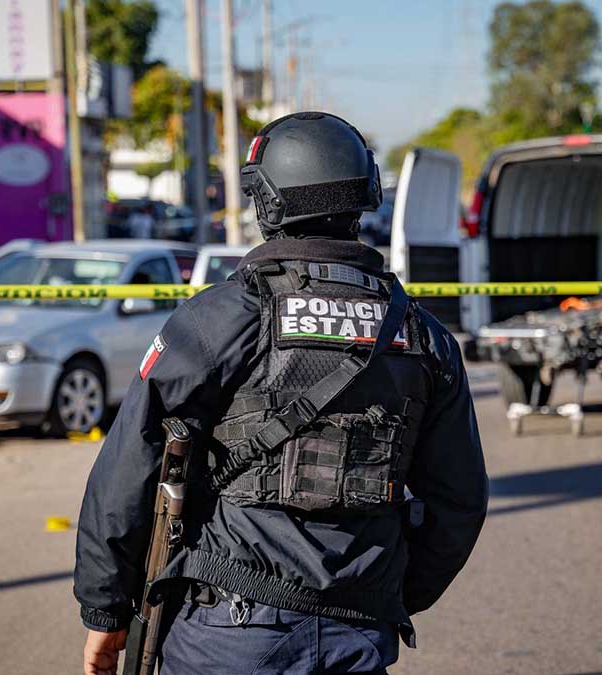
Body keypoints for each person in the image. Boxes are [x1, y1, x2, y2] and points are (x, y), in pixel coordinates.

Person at [74, 111, 488, 675]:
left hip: (226, 633)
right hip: (358, 633)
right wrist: (383, 595)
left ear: (266, 200)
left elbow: (128, 468)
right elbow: (459, 501)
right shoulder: (423, 336)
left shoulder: (216, 322)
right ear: (365, 193)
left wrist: (105, 611)